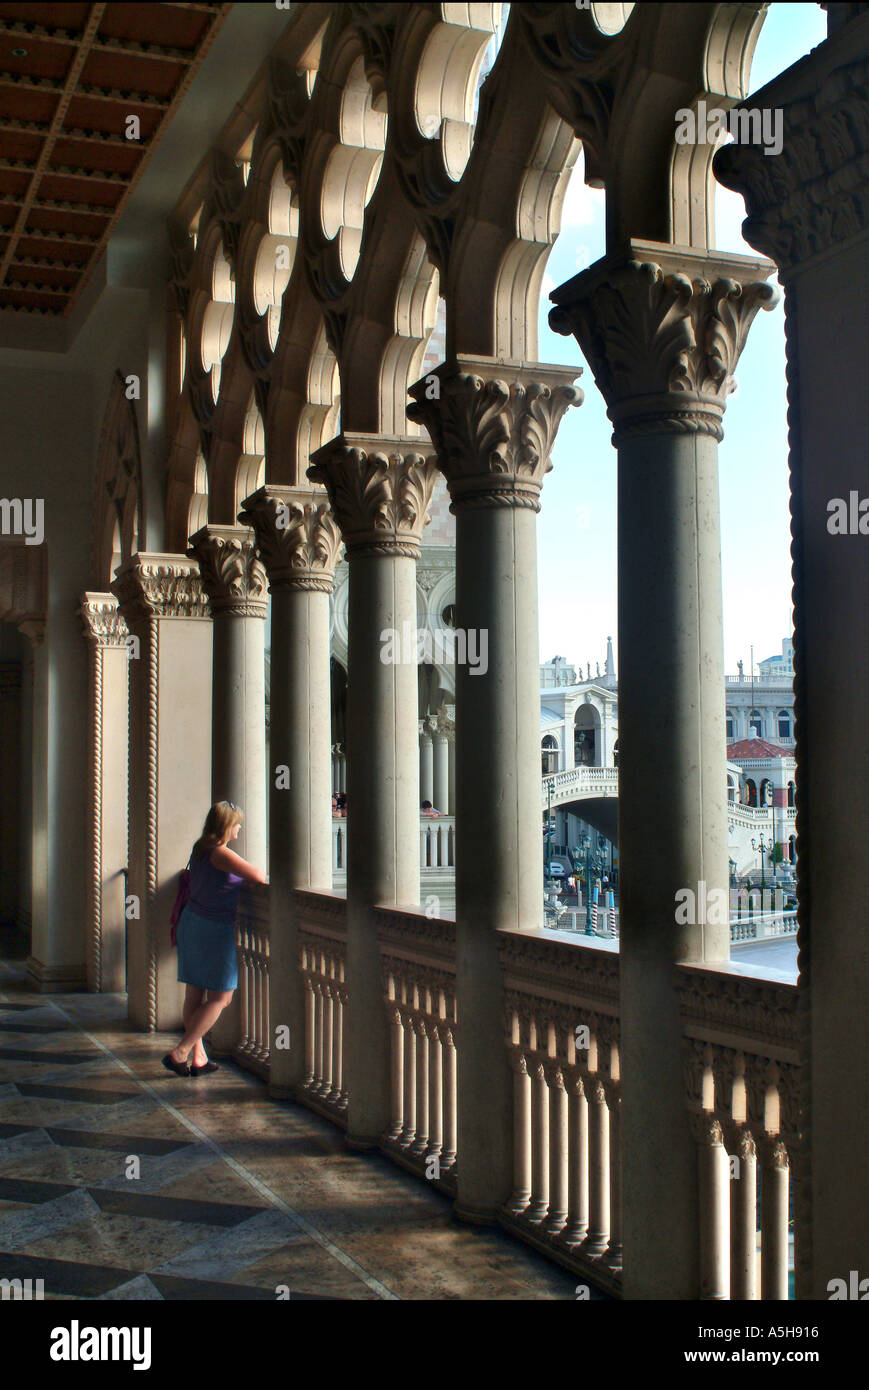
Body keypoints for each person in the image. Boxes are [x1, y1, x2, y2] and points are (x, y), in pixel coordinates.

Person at [162, 800, 266, 1078]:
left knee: (194, 995)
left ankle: (198, 1057)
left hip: (193, 923)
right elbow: (259, 875)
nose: (241, 828)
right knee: (221, 997)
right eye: (238, 823)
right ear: (227, 826)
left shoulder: (200, 849)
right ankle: (180, 1051)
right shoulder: (220, 853)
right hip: (213, 929)